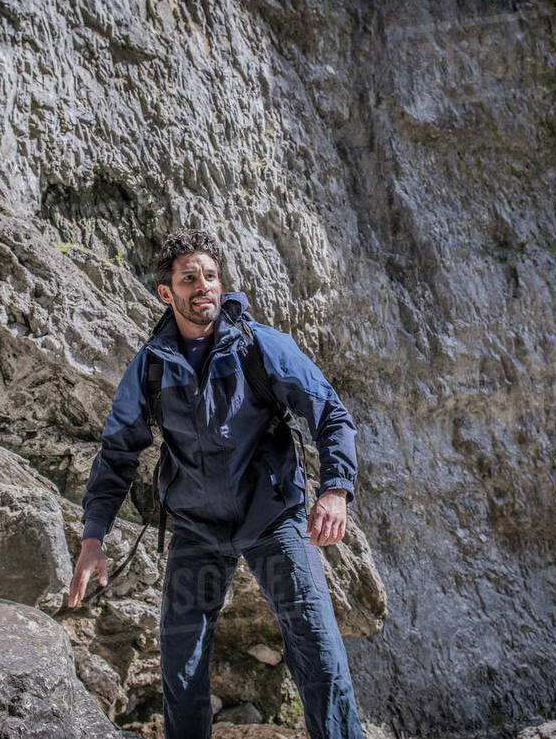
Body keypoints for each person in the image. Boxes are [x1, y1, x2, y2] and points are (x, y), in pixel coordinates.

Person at [67, 228, 364, 739]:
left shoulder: (261, 347)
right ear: (168, 293)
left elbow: (331, 416)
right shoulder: (151, 368)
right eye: (189, 278)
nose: (203, 285)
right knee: (181, 664)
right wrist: (93, 536)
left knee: (317, 649)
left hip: (272, 519)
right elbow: (117, 453)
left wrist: (334, 490)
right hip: (197, 530)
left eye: (210, 275)